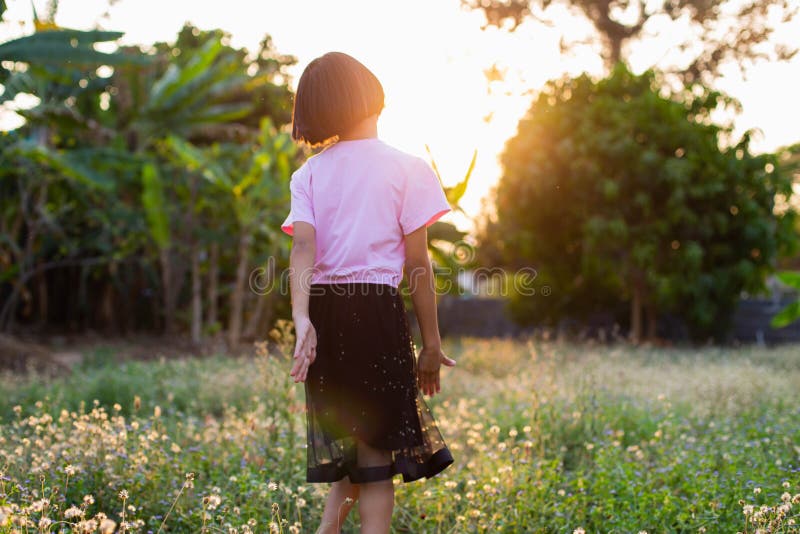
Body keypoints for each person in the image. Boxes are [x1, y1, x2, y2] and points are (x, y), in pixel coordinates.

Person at [280, 51, 456, 534]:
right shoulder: (407, 167)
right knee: (377, 451)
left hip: (325, 313)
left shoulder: (309, 173)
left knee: (355, 445)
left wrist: (302, 320)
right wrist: (432, 344)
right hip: (376, 312)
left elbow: (303, 252)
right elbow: (419, 266)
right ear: (368, 95)